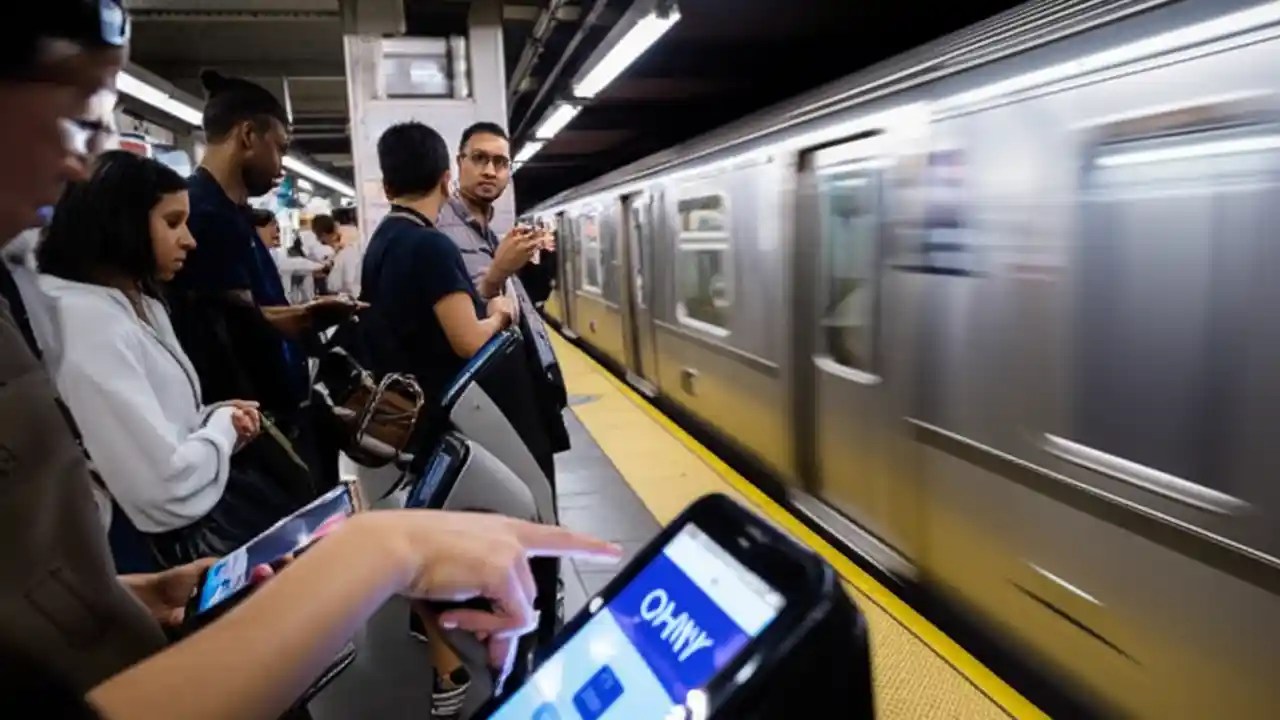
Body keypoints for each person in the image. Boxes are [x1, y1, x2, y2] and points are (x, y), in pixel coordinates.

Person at [38, 152, 319, 567]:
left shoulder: (140, 303)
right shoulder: (85, 320)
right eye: (172, 223)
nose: (189, 239)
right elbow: (164, 490)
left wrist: (212, 416)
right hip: (142, 555)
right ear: (123, 223)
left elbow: (166, 423)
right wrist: (221, 429)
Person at [166, 70, 357, 493]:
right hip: (250, 431)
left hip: (271, 420)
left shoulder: (232, 213)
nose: (282, 166)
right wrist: (315, 315)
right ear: (248, 136)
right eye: (281, 149)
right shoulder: (205, 216)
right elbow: (243, 321)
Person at [437, 122, 570, 464]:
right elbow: (462, 320)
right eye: (479, 158)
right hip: (486, 404)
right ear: (458, 163)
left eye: (500, 163)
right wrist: (498, 273)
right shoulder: (441, 232)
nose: (489, 171)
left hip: (518, 395)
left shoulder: (490, 232)